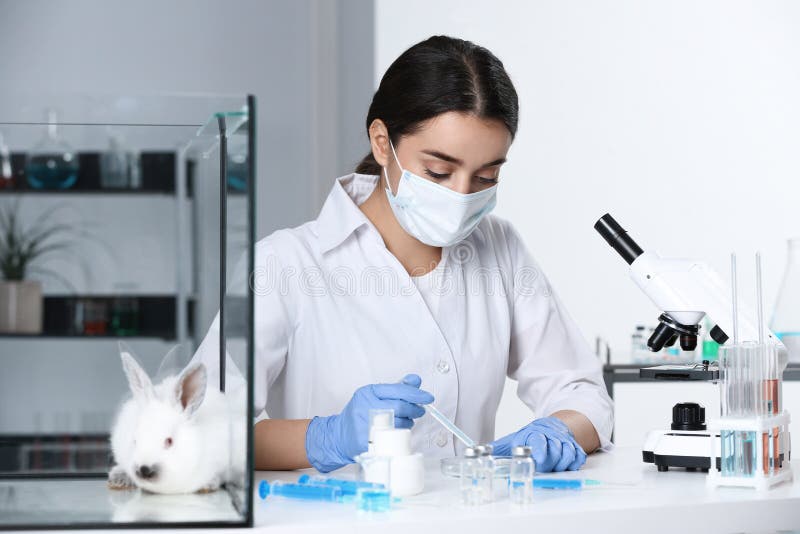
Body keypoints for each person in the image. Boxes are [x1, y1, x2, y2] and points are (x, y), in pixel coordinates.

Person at [194, 35, 613, 474]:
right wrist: (328, 436)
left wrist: (561, 429)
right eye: (438, 171)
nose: (461, 195)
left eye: (486, 176)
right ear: (382, 142)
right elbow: (203, 427)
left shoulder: (500, 248)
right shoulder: (284, 264)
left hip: (470, 506)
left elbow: (581, 391)